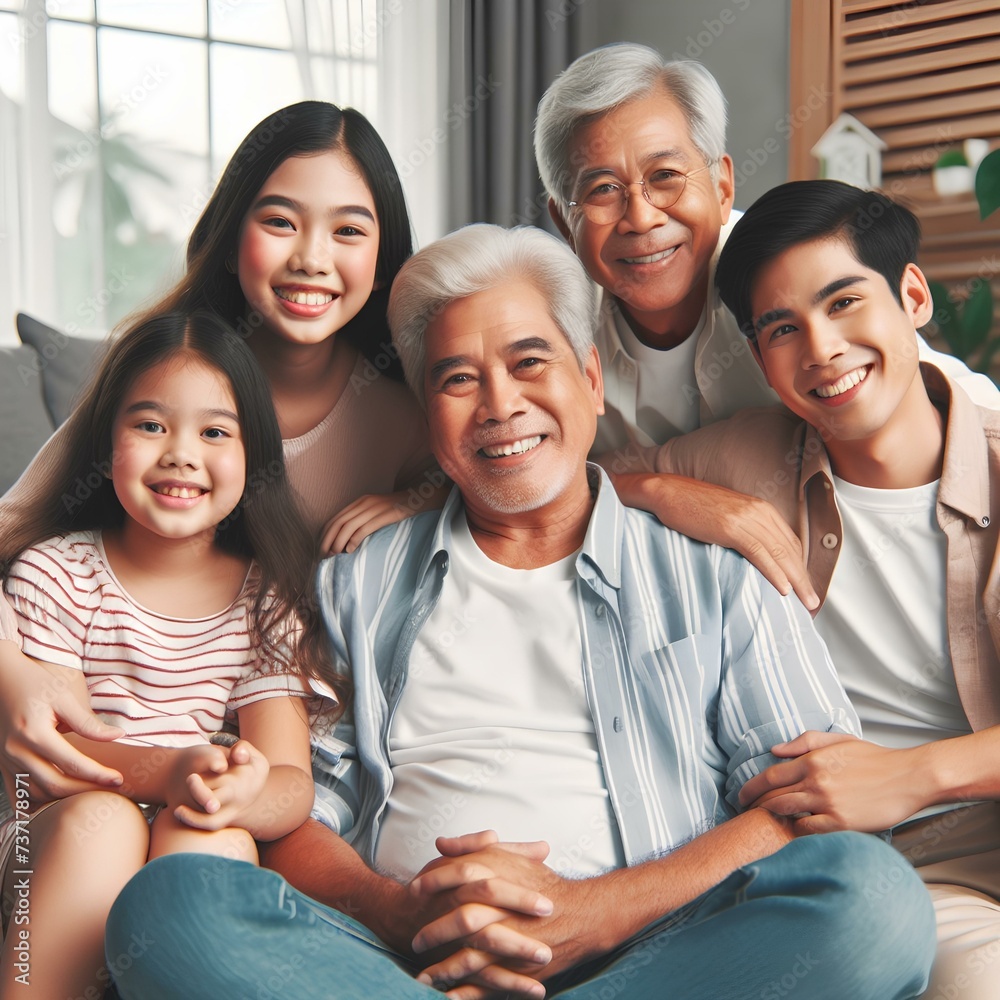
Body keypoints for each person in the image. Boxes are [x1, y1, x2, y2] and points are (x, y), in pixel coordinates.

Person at [105, 225, 935, 1000]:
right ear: (428, 415)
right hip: (397, 962)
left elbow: (812, 806)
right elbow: (299, 814)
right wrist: (400, 911)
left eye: (529, 362)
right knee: (173, 904)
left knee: (875, 903)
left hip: (659, 952)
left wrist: (592, 911)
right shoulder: (355, 579)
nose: (499, 404)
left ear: (591, 377)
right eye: (457, 378)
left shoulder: (719, 569)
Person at [0, 100, 436, 808]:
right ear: (232, 238)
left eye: (348, 230)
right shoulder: (166, 379)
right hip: (129, 746)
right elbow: (9, 529)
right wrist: (13, 677)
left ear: (385, 261)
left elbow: (485, 501)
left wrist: (410, 501)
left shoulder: (403, 411)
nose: (311, 259)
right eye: (280, 221)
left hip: (281, 755)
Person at [644, 179, 1000, 998]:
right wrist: (671, 493)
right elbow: (573, 479)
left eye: (843, 303)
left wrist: (914, 775)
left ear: (912, 296)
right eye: (782, 329)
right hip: (867, 876)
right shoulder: (737, 461)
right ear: (760, 359)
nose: (822, 348)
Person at [534, 42, 1000, 607]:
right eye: (602, 189)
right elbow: (522, 477)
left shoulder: (784, 280)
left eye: (665, 175)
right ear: (563, 218)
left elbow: (935, 398)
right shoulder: (549, 326)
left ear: (724, 184)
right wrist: (665, 491)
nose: (641, 217)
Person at [0, 311, 344, 998]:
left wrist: (245, 791)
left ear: (256, 457)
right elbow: (47, 761)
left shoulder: (264, 599)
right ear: (105, 443)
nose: (181, 454)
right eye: (151, 426)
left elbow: (290, 782)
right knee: (104, 825)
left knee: (213, 840)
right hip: (56, 830)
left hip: (183, 819)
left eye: (215, 432)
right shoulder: (57, 572)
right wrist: (170, 770)